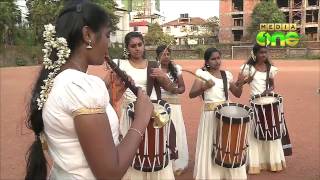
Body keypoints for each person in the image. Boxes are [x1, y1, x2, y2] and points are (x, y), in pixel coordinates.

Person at [25, 1, 154, 179]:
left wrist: (112, 99)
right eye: (108, 35)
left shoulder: (55, 80)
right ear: (87, 35)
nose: (108, 43)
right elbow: (110, 172)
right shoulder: (82, 85)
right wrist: (142, 118)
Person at [115, 32, 178, 180]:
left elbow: (171, 89)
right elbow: (112, 90)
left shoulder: (153, 65)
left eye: (139, 45)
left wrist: (163, 77)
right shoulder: (120, 65)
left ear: (143, 45)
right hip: (131, 114)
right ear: (127, 48)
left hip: (154, 114)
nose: (137, 48)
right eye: (133, 46)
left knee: (155, 151)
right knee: (132, 152)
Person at [189, 48, 246, 180]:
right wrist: (204, 87)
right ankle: (210, 174)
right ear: (207, 61)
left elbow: (237, 94)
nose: (217, 61)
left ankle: (226, 172)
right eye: (213, 59)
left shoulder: (226, 75)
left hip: (226, 114)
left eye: (218, 58)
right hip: (209, 115)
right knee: (211, 143)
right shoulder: (202, 74)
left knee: (226, 143)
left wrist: (241, 82)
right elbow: (191, 94)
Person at [238, 44, 288, 174]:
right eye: (261, 53)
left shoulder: (270, 68)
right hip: (256, 104)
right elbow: (237, 85)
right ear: (254, 54)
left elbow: (272, 86)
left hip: (270, 104)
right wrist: (246, 80)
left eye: (265, 53)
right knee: (255, 134)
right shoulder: (247, 68)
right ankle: (256, 164)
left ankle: (273, 163)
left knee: (271, 133)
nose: (264, 55)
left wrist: (268, 90)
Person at [156, 45, 189, 175]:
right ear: (157, 56)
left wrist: (174, 90)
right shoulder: (154, 69)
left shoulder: (176, 69)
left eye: (168, 54)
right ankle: (163, 162)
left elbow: (182, 88)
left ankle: (177, 164)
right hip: (160, 105)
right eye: (163, 54)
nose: (166, 57)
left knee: (176, 132)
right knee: (162, 133)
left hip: (174, 106)